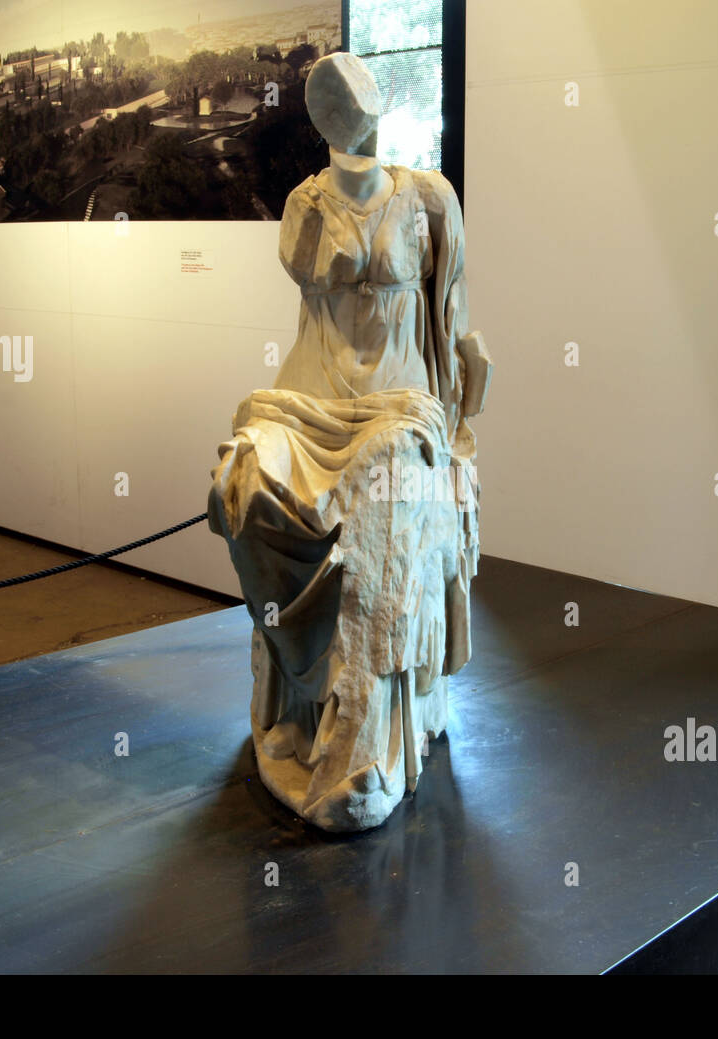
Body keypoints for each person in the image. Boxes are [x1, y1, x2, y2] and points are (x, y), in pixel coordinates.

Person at [208, 52, 491, 832]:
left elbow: (450, 319)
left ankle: (360, 740)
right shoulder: (305, 204)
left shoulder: (428, 198)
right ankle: (294, 707)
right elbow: (310, 323)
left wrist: (466, 378)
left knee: (379, 486)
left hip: (399, 403)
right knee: (244, 474)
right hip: (310, 399)